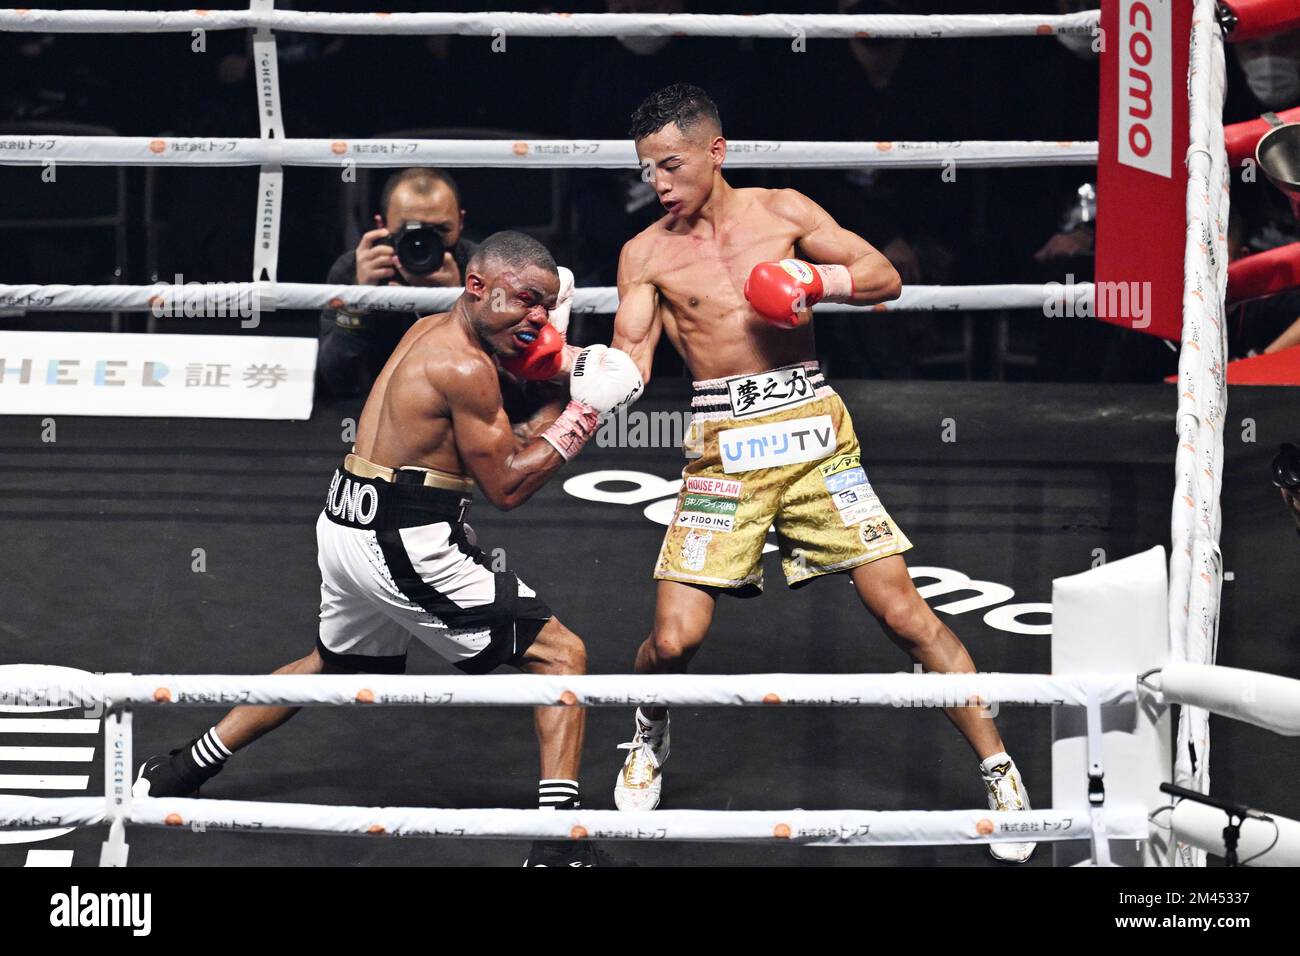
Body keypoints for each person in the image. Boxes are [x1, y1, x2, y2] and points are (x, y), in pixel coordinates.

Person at [607, 84, 1035, 862]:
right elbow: (632, 361)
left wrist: (814, 282)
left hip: (813, 439)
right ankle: (648, 731)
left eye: (669, 165)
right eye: (647, 172)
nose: (658, 184)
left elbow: (882, 275)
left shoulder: (786, 212)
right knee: (673, 641)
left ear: (715, 151)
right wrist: (584, 379)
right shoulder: (645, 254)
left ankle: (999, 769)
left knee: (904, 615)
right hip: (722, 449)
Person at [135, 231, 644, 867]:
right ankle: (558, 843)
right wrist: (585, 415)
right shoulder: (464, 368)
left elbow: (503, 408)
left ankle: (180, 767)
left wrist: (552, 351)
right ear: (477, 287)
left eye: (544, 306)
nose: (535, 318)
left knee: (332, 663)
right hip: (403, 540)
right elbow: (508, 484)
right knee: (562, 656)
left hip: (348, 520)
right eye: (525, 302)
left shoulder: (435, 328)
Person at [318, 167, 477, 399]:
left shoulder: (479, 269)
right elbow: (336, 380)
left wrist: (456, 305)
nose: (422, 243)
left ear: (460, 222)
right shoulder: (354, 271)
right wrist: (358, 304)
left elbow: (496, 383)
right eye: (409, 231)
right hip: (374, 410)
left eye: (440, 231)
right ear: (382, 225)